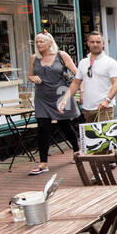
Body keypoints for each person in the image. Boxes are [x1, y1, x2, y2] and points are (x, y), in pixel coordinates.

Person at [27, 31, 80, 175]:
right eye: (37, 42)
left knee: (65, 125)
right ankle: (43, 163)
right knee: (43, 128)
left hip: (60, 94)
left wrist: (80, 91)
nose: (38, 44)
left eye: (41, 42)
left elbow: (77, 73)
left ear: (50, 43)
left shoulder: (61, 55)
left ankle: (76, 150)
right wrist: (33, 78)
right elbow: (30, 75)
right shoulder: (34, 58)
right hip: (42, 96)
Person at [66, 32, 117, 123]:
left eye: (98, 42)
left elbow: (116, 83)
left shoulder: (111, 62)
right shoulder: (83, 63)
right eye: (92, 42)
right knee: (91, 135)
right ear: (88, 43)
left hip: (104, 107)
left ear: (103, 44)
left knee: (102, 135)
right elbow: (76, 82)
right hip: (88, 107)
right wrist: (65, 99)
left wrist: (107, 100)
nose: (95, 44)